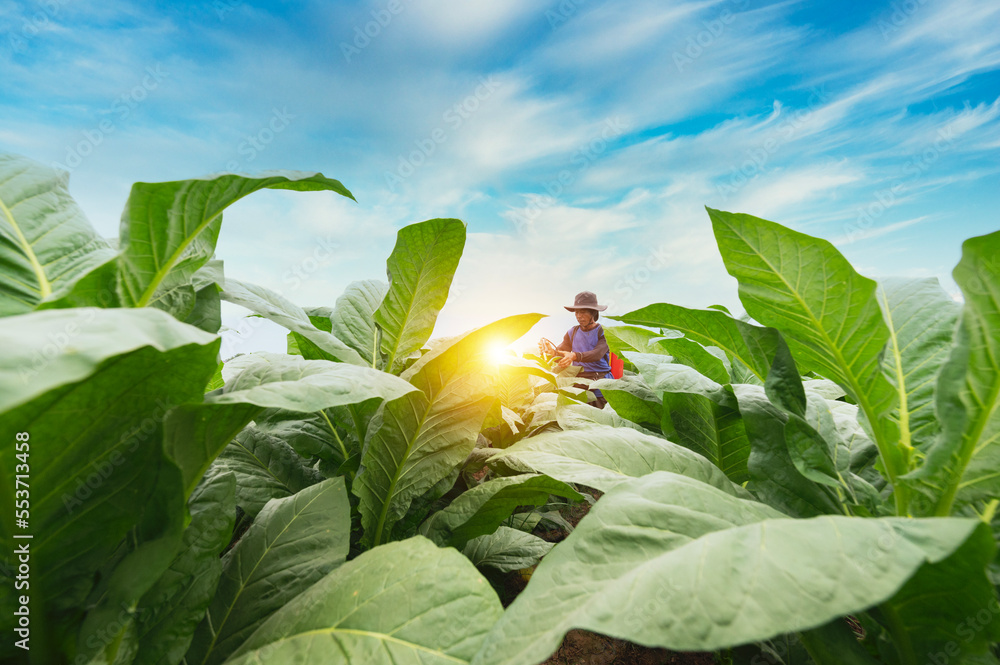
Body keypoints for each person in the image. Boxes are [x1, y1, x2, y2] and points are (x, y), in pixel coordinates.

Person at [539, 291, 611, 409]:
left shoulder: (604, 332)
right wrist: (552, 352)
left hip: (600, 385)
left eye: (582, 312)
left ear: (593, 312)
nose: (578, 316)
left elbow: (597, 354)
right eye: (576, 312)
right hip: (578, 385)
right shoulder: (572, 332)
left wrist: (574, 356)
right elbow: (562, 354)